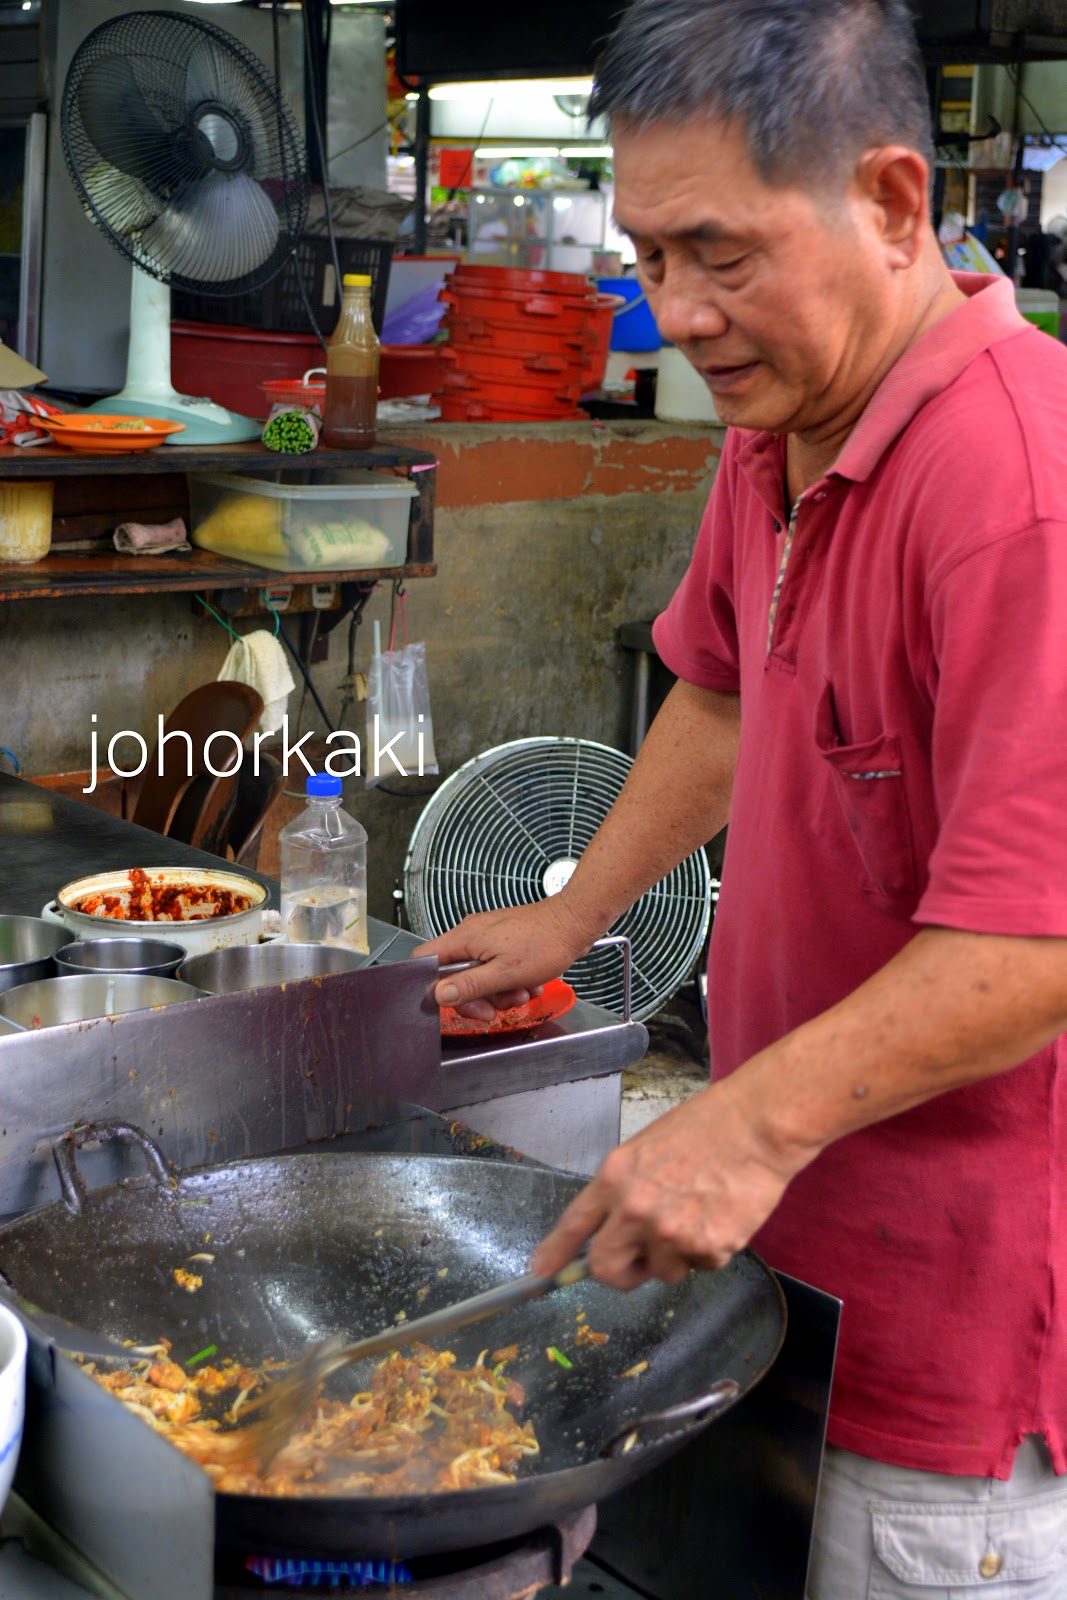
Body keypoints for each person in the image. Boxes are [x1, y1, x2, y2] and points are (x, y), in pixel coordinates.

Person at [414, 2, 1067, 1593]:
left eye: (720, 252)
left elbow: (1036, 942)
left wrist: (744, 1121)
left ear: (895, 204)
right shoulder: (783, 425)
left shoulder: (1016, 490)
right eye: (647, 253)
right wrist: (576, 910)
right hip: (791, 1257)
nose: (677, 313)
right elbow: (721, 688)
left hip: (952, 1340)